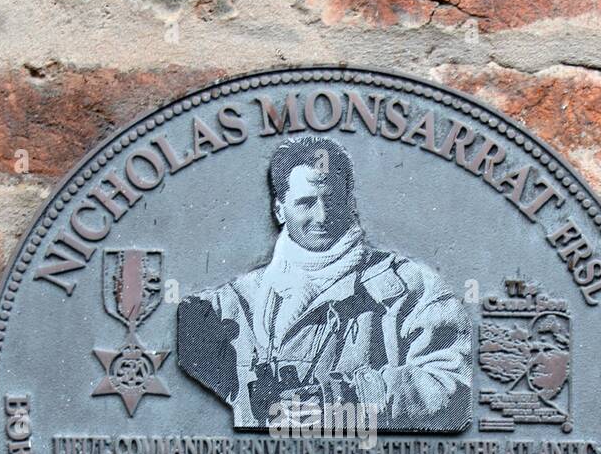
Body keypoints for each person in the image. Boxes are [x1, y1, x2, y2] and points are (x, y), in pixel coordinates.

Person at [177, 136, 472, 432]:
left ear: (351, 204)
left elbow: (454, 386)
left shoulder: (410, 287)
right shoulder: (232, 303)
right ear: (280, 210)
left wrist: (346, 397)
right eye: (305, 203)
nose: (321, 216)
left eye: (331, 200)